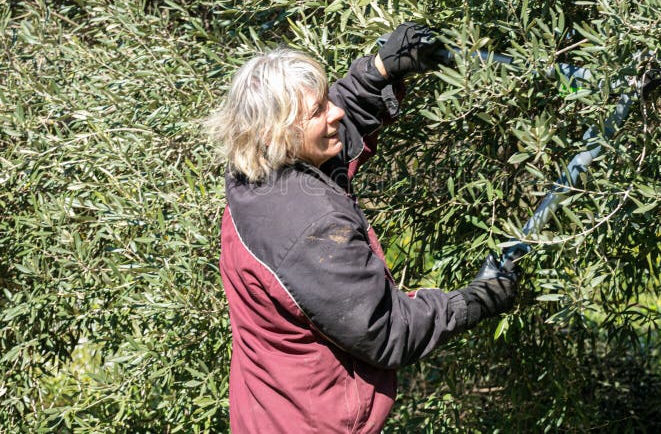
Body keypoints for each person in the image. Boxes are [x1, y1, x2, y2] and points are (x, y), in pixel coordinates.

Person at [207, 22, 519, 433]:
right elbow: (389, 332)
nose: (333, 111)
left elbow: (338, 125)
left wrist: (379, 70)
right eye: (318, 110)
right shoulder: (308, 229)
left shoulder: (256, 173)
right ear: (276, 133)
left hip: (269, 414)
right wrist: (477, 300)